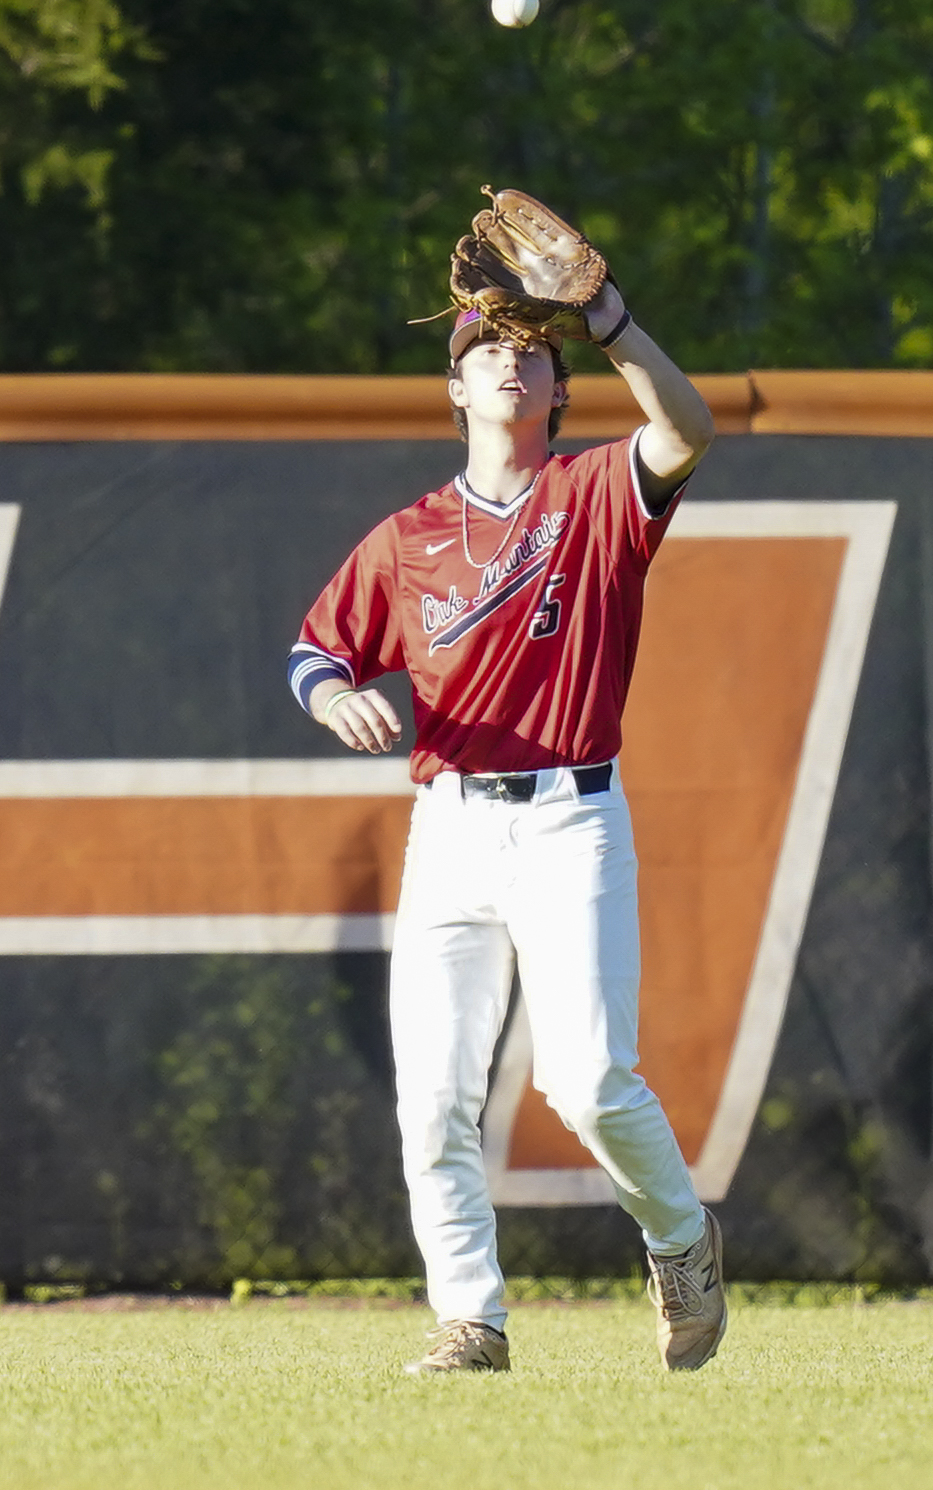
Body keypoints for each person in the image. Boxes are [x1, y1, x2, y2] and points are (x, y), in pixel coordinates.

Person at [287, 263, 724, 1374]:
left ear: (560, 389)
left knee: (584, 1080)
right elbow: (318, 649)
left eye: (534, 349)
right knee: (431, 1095)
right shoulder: (409, 536)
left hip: (571, 817)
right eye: (488, 347)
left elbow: (689, 427)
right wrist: (335, 692)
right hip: (450, 825)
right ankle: (470, 1320)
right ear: (456, 386)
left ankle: (680, 1238)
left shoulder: (593, 497)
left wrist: (612, 319)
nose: (512, 358)